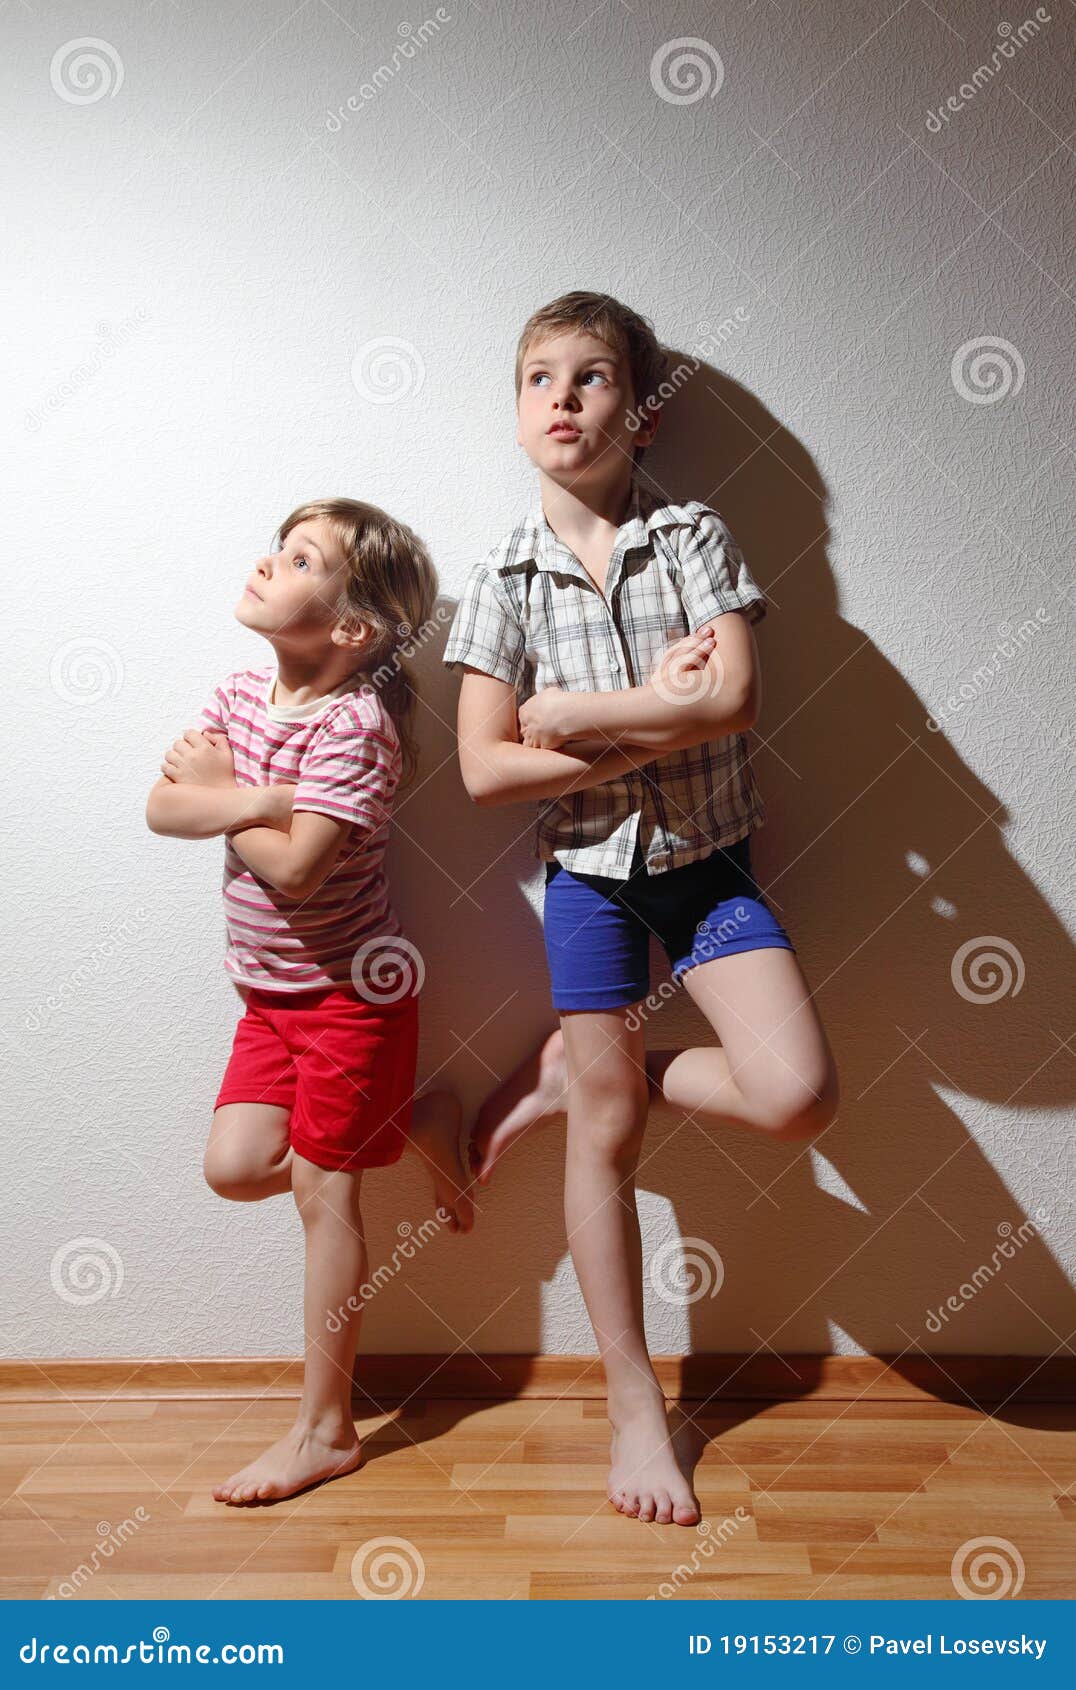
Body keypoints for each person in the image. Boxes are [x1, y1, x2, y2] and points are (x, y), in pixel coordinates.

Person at [442, 292, 839, 1526]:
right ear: (516, 413)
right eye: (538, 378)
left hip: (708, 862)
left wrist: (576, 713)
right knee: (603, 1139)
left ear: (639, 408)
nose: (562, 397)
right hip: (589, 880)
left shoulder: (693, 536)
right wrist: (630, 723)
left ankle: (581, 1068)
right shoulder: (500, 577)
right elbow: (481, 770)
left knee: (793, 1093)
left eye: (593, 375)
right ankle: (633, 1405)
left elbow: (730, 702)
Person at [146, 497, 473, 1505]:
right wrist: (251, 796)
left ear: (350, 629)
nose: (263, 562)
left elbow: (293, 871)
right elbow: (164, 807)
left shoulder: (358, 729)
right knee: (237, 1168)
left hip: (349, 1000)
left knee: (320, 1195)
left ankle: (326, 1429)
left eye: (296, 557)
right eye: (276, 545)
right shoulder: (242, 694)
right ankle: (414, 1117)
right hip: (267, 1000)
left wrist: (226, 796)